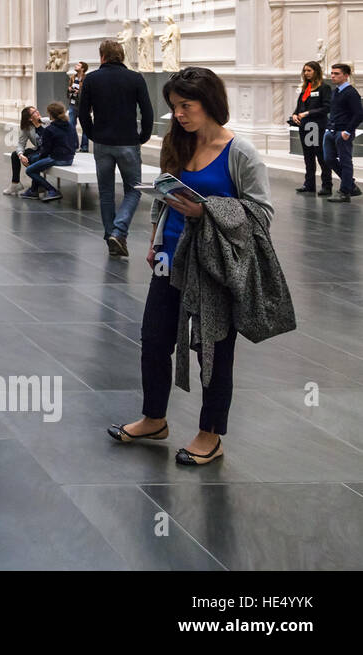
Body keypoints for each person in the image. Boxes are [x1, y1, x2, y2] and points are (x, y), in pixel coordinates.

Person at [108, 67, 289, 466]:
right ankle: (154, 418)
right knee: (154, 340)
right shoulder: (178, 142)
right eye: (174, 107)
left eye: (185, 106)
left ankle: (211, 434)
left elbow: (262, 214)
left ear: (209, 104)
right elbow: (162, 195)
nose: (179, 114)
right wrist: (155, 240)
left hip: (214, 267)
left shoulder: (240, 152)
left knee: (215, 350)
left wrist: (205, 211)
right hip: (170, 261)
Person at [78, 38, 154, 258]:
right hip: (128, 141)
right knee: (134, 190)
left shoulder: (91, 79)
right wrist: (143, 136)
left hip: (102, 143)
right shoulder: (135, 78)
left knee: (106, 192)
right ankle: (119, 231)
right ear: (122, 56)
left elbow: (84, 113)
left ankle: (112, 235)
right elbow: (147, 111)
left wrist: (92, 134)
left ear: (102, 57)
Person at [290, 60, 332, 195]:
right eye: (305, 71)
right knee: (308, 157)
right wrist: (295, 115)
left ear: (316, 71)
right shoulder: (306, 88)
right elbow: (299, 106)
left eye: (309, 70)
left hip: (316, 126)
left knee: (321, 156)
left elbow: (326, 107)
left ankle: (327, 185)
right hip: (305, 127)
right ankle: (309, 184)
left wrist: (308, 113)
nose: (306, 73)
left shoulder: (323, 88)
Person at [22, 102, 78, 202]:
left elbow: (45, 151)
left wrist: (38, 159)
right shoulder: (70, 125)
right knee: (34, 159)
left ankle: (51, 190)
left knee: (30, 170)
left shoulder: (50, 129)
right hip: (70, 158)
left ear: (51, 115)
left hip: (57, 158)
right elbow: (76, 145)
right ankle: (34, 190)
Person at [323, 62, 363, 202]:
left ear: (346, 76)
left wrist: (347, 131)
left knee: (345, 161)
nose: (333, 76)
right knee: (328, 159)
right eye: (332, 73)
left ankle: (345, 192)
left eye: (336, 74)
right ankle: (350, 185)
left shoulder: (351, 93)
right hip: (331, 130)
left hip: (343, 132)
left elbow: (358, 114)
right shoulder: (336, 91)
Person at [3, 105, 44, 196]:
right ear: (30, 119)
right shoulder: (27, 128)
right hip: (39, 149)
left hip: (49, 150)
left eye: (36, 110)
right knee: (15, 154)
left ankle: (38, 183)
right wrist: (21, 155)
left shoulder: (47, 122)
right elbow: (21, 144)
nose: (37, 112)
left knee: (32, 157)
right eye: (34, 112)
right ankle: (15, 183)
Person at [67, 61, 89, 152]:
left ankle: (84, 147)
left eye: (78, 65)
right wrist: (69, 90)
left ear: (83, 68)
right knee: (71, 125)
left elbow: (88, 92)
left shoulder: (87, 79)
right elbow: (68, 93)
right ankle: (74, 145)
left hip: (83, 105)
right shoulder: (72, 78)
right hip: (73, 104)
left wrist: (79, 92)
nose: (76, 66)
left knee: (85, 126)